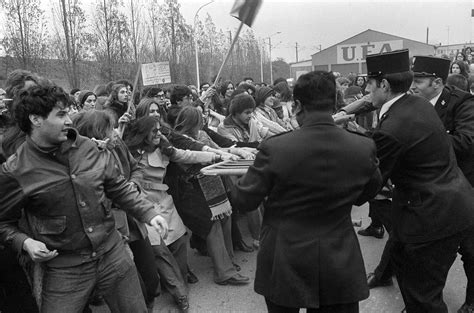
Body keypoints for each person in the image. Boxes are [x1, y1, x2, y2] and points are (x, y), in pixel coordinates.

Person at [0, 83, 169, 313]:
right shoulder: (16, 171)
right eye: (60, 115)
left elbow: (118, 187)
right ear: (36, 119)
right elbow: (3, 222)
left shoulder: (89, 148)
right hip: (64, 269)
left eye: (68, 112)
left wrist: (149, 213)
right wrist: (25, 242)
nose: (70, 120)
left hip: (113, 255)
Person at [231, 70, 382, 313]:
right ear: (334, 102)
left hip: (284, 256)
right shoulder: (362, 146)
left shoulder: (276, 148)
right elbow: (369, 190)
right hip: (338, 255)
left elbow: (244, 200)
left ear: (298, 105)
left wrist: (241, 177)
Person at [365, 49, 474, 313]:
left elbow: (369, 184)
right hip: (445, 205)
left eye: (369, 83)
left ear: (383, 84)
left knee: (425, 297)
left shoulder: (395, 126)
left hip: (432, 216)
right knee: (407, 271)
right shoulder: (418, 105)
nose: (366, 90)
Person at [410, 55, 474, 313]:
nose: (412, 85)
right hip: (428, 191)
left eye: (418, 80)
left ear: (437, 83)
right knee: (420, 252)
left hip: (464, 188)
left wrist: (423, 138)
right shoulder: (414, 101)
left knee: (470, 251)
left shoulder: (463, 103)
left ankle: (471, 301)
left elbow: (466, 142)